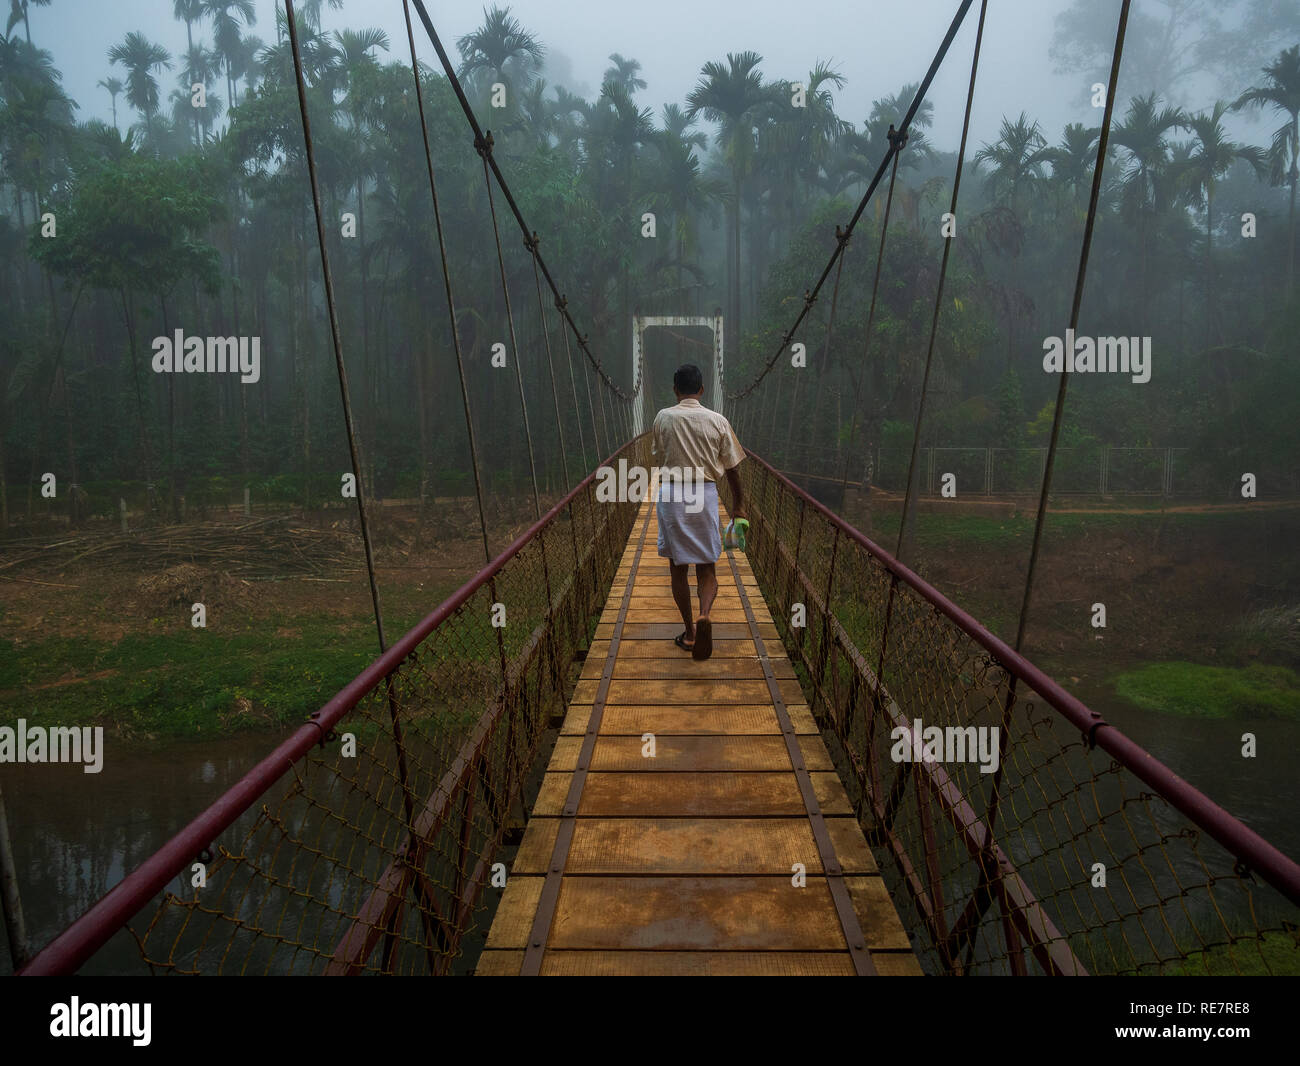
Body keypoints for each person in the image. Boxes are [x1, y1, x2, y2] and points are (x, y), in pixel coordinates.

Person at [651, 364, 748, 661]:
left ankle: (690, 634)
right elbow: (732, 467)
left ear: (675, 390)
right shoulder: (717, 421)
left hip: (672, 494)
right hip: (704, 494)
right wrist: (738, 504)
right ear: (702, 390)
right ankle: (705, 614)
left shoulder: (663, 418)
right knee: (707, 567)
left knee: (677, 569)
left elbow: (657, 456)